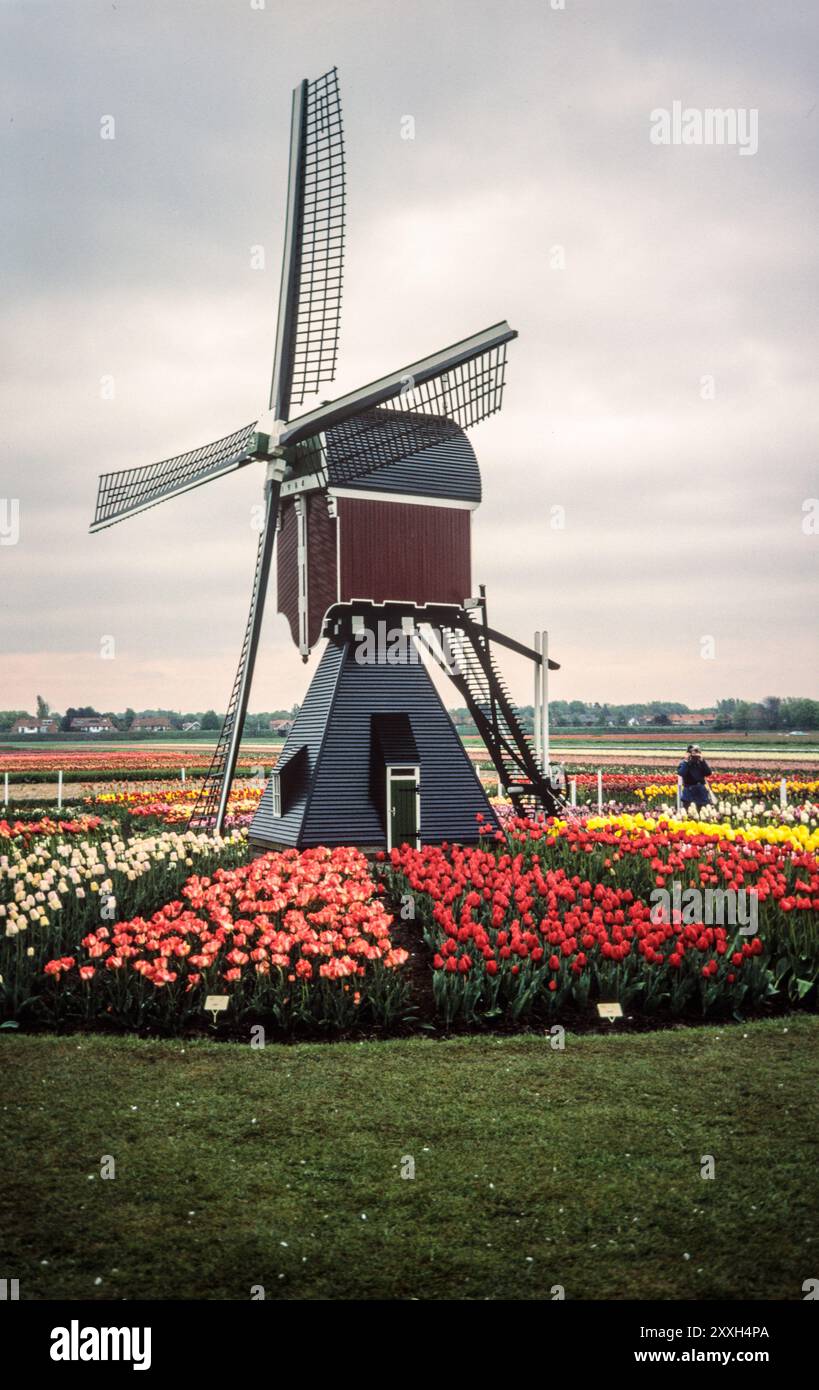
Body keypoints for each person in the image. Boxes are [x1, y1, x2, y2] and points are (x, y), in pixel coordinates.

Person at [677, 743, 712, 811]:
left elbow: (708, 773)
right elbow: (681, 773)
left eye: (697, 752)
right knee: (688, 813)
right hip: (689, 792)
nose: (695, 755)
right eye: (693, 753)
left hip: (701, 792)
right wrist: (686, 761)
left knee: (703, 812)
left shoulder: (700, 763)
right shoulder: (684, 763)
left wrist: (702, 761)